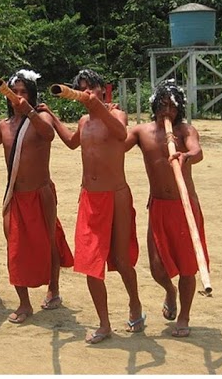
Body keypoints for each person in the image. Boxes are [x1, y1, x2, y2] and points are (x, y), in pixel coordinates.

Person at [50, 69, 142, 344]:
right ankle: (104, 324)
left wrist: (98, 107)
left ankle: (134, 304)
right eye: (82, 88)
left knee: (122, 259)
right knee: (90, 263)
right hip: (90, 198)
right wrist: (50, 117)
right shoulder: (83, 121)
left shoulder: (116, 115)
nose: (86, 92)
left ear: (103, 89)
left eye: (90, 87)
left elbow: (120, 132)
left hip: (116, 197)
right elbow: (70, 142)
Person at [126, 80, 208, 337]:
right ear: (154, 105)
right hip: (158, 206)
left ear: (179, 109)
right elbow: (118, 143)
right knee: (157, 267)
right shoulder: (142, 132)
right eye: (162, 106)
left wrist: (186, 156)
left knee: (187, 267)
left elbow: (198, 150)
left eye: (172, 107)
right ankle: (170, 292)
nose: (167, 112)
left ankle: (183, 316)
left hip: (184, 207)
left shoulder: (185, 131)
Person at [0, 69, 73, 324]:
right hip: (15, 195)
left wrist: (29, 111)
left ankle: (54, 290)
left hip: (41, 194)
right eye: (13, 92)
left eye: (23, 92)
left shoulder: (41, 119)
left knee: (48, 241)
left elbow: (49, 135)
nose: (17, 97)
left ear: (31, 95)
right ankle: (24, 303)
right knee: (14, 248)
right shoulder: (4, 126)